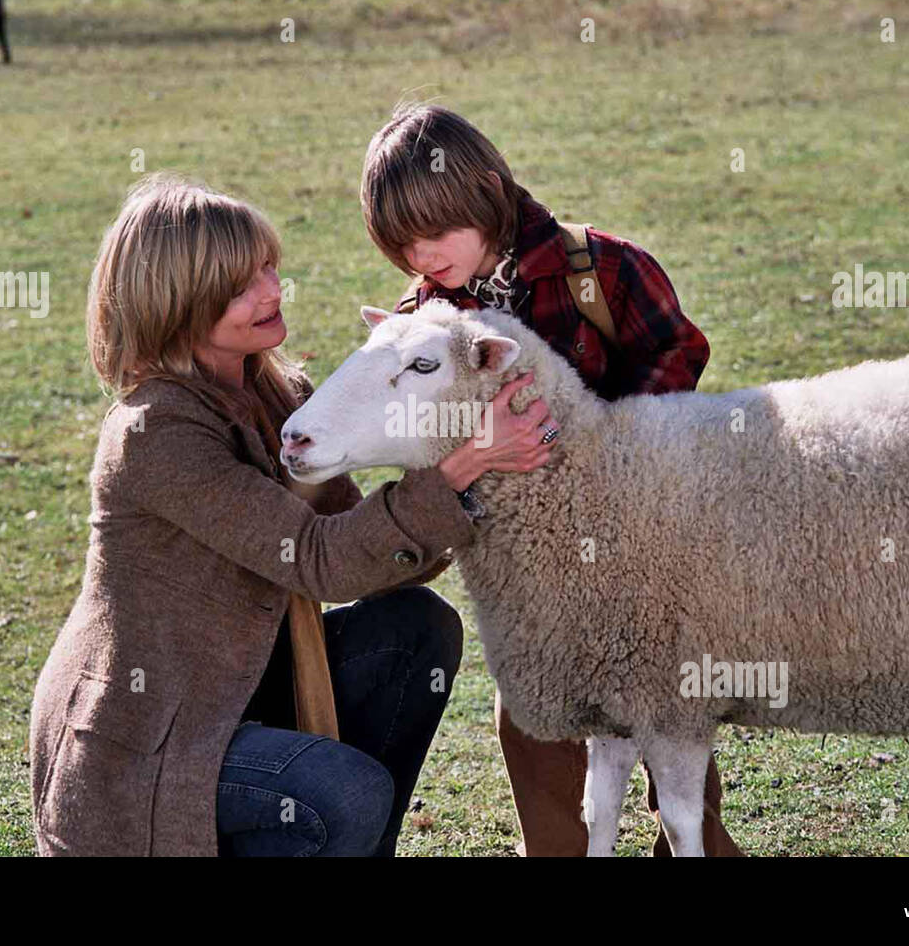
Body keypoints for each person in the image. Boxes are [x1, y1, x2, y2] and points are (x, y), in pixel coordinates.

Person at [29, 173, 560, 856]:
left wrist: (450, 449)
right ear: (176, 303)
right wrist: (461, 467)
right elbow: (318, 559)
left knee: (416, 628)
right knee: (345, 791)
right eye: (238, 286)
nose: (271, 291)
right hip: (153, 743)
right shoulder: (154, 433)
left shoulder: (278, 395)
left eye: (268, 267)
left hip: (241, 694)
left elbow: (371, 558)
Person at [360, 102, 743, 857]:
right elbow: (418, 439)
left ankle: (696, 844)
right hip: (528, 577)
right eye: (401, 247)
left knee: (666, 711)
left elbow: (676, 354)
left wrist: (600, 446)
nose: (421, 259)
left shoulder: (601, 269)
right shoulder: (425, 321)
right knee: (535, 718)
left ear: (486, 194)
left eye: (435, 234)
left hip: (636, 556)